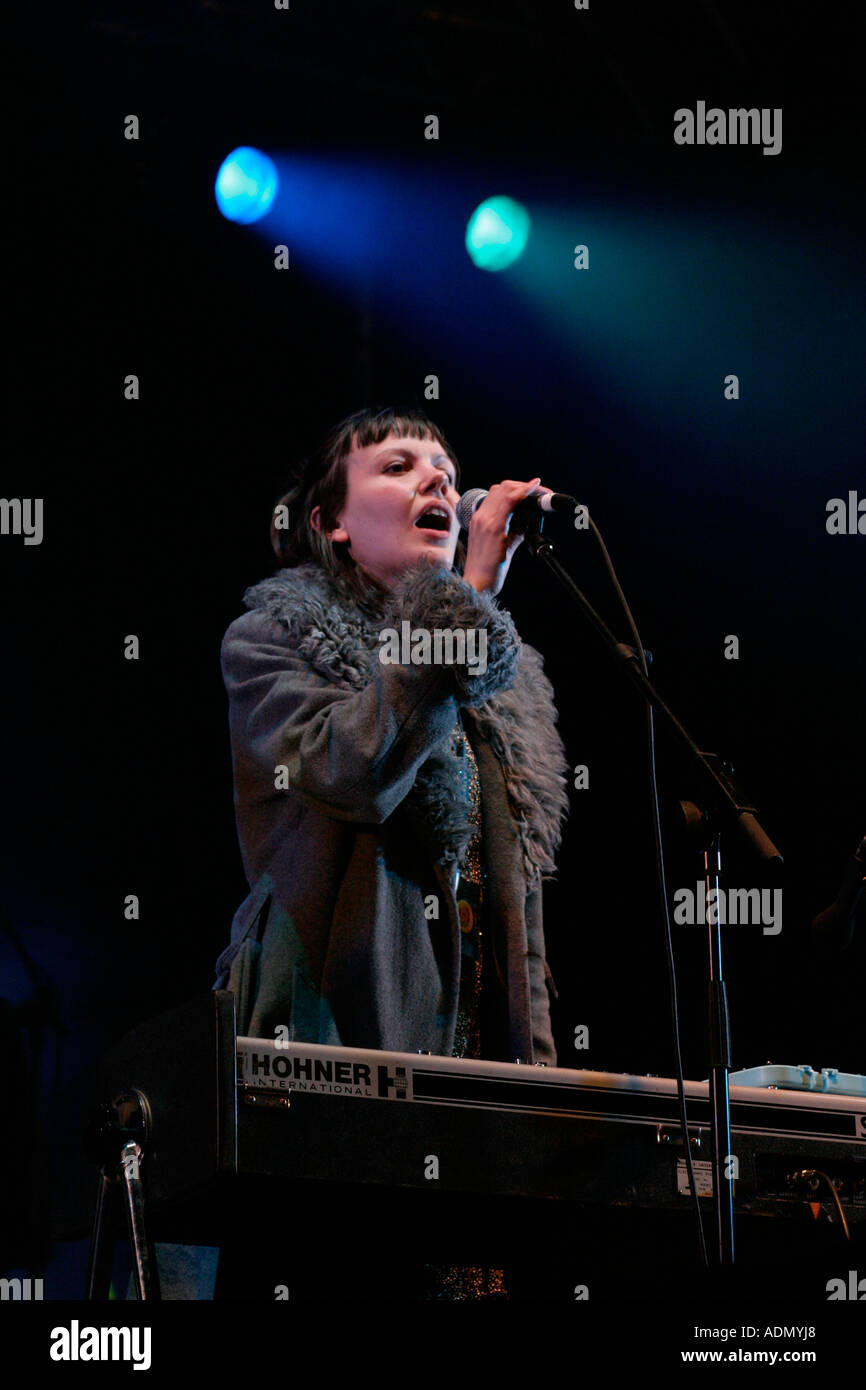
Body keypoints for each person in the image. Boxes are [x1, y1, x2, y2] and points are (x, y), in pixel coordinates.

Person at [214, 405, 569, 1067]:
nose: (436, 484)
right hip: (328, 1041)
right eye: (398, 467)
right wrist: (470, 600)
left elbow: (521, 920)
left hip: (476, 1067)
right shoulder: (276, 639)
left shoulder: (502, 684)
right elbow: (356, 775)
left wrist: (539, 1084)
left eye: (445, 473)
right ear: (333, 523)